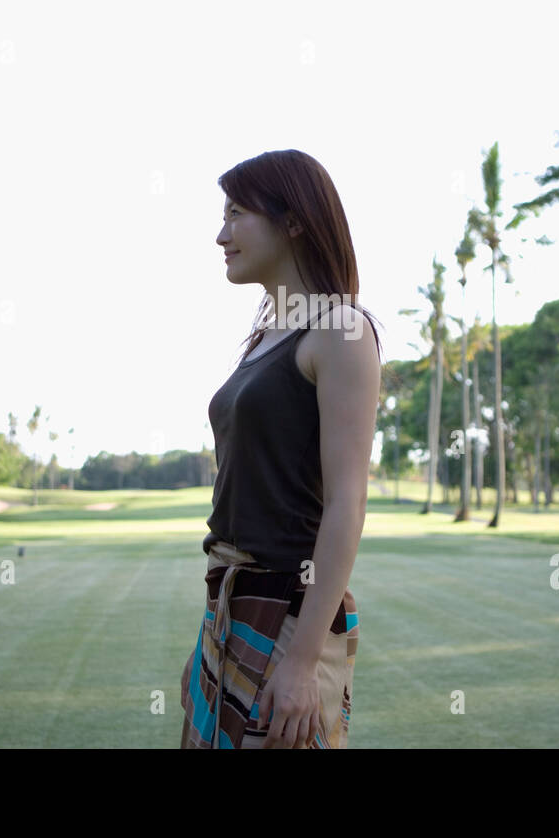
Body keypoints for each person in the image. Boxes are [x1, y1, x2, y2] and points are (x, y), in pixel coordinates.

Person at [179, 149, 382, 749]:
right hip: (230, 605)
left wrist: (301, 662)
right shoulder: (264, 337)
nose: (221, 234)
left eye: (236, 213)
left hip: (290, 615)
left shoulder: (342, 329)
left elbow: (347, 503)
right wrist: (207, 649)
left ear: (293, 221)